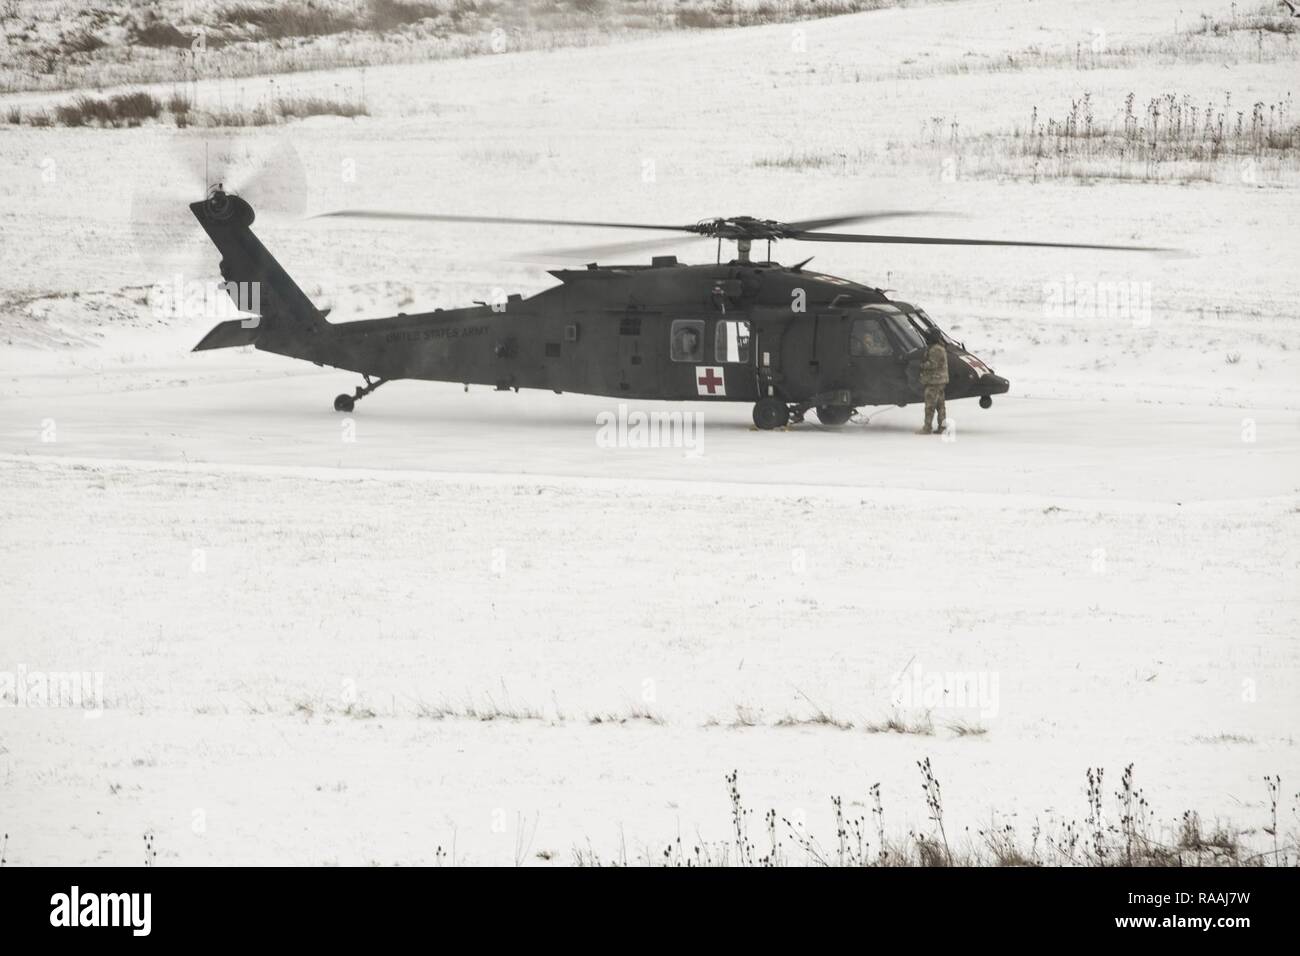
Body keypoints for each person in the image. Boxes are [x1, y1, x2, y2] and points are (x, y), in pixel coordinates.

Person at [916, 329, 949, 434]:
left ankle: (927, 427)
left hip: (934, 381)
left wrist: (921, 365)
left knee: (930, 406)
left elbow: (932, 364)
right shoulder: (938, 347)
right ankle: (942, 427)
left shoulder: (935, 349)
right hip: (939, 380)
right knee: (940, 406)